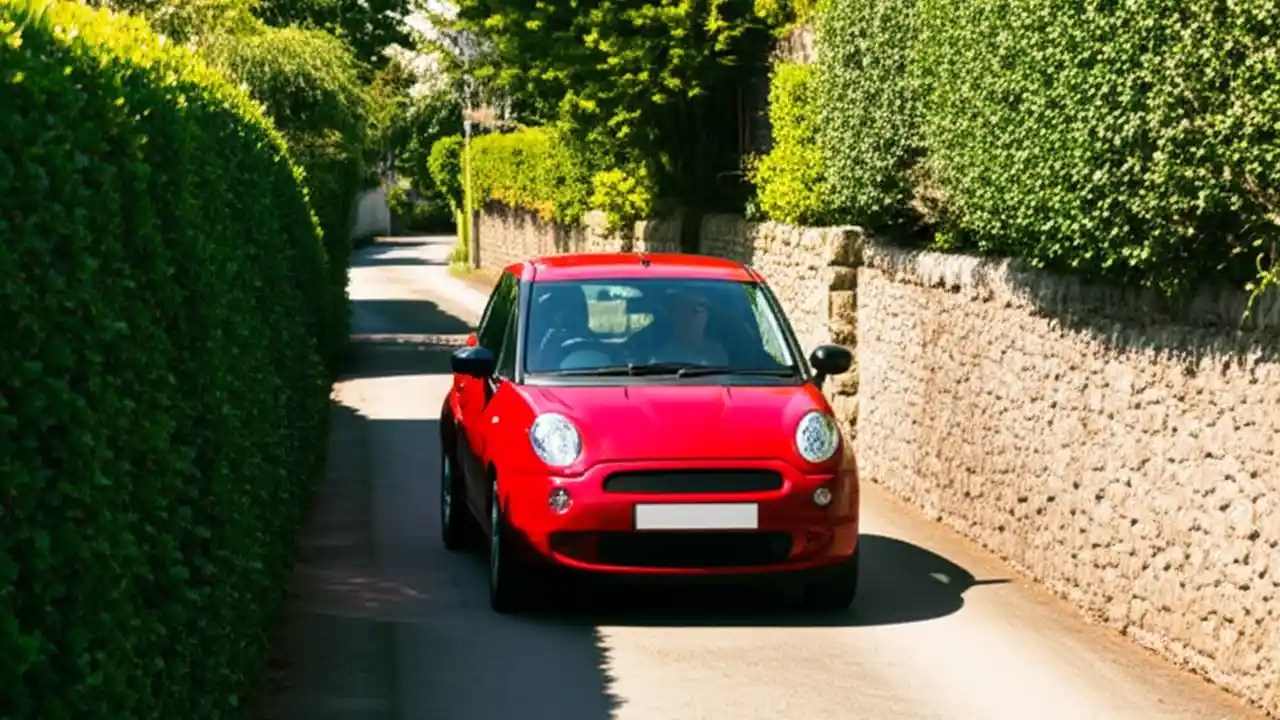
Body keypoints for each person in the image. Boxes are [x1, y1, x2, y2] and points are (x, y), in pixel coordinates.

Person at [649, 288, 728, 366]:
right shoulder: (662, 355)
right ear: (672, 317)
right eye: (683, 311)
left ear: (707, 316)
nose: (691, 318)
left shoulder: (715, 351)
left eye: (698, 311)